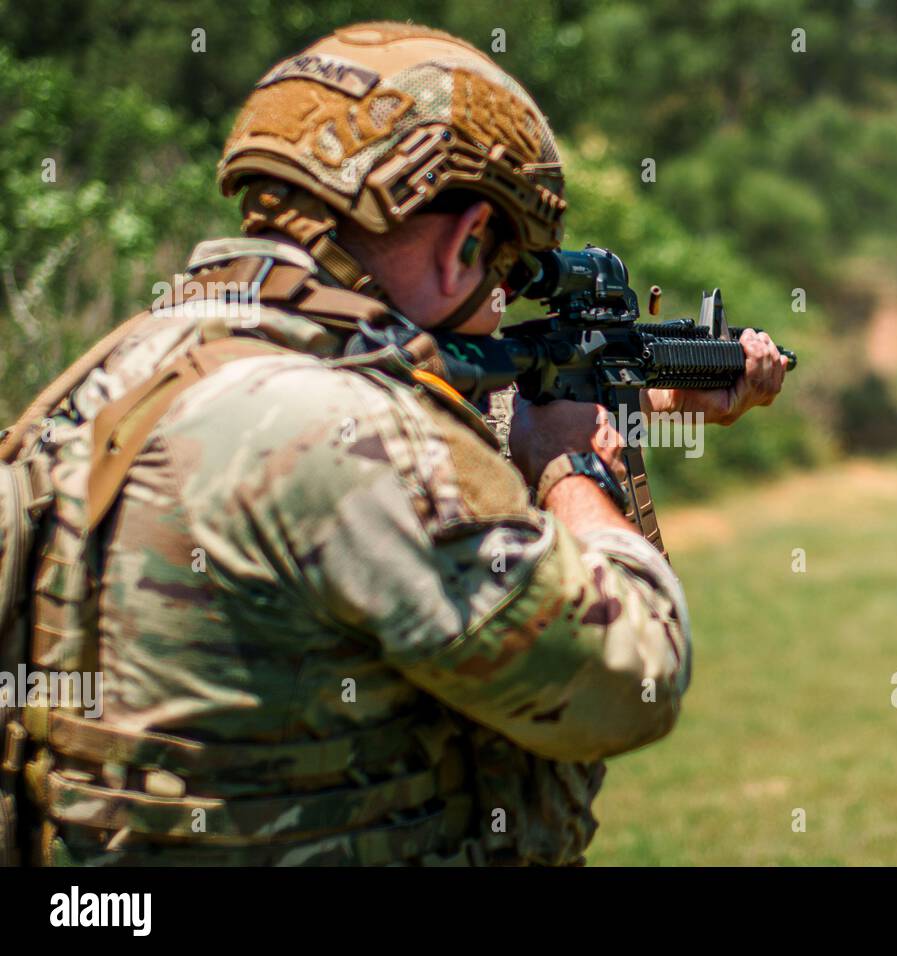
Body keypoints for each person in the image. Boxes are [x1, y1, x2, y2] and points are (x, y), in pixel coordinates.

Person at [10, 21, 786, 866]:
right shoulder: (355, 439)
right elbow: (633, 675)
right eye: (504, 271)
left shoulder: (101, 383)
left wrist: (634, 399)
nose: (503, 303)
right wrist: (575, 469)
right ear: (461, 244)